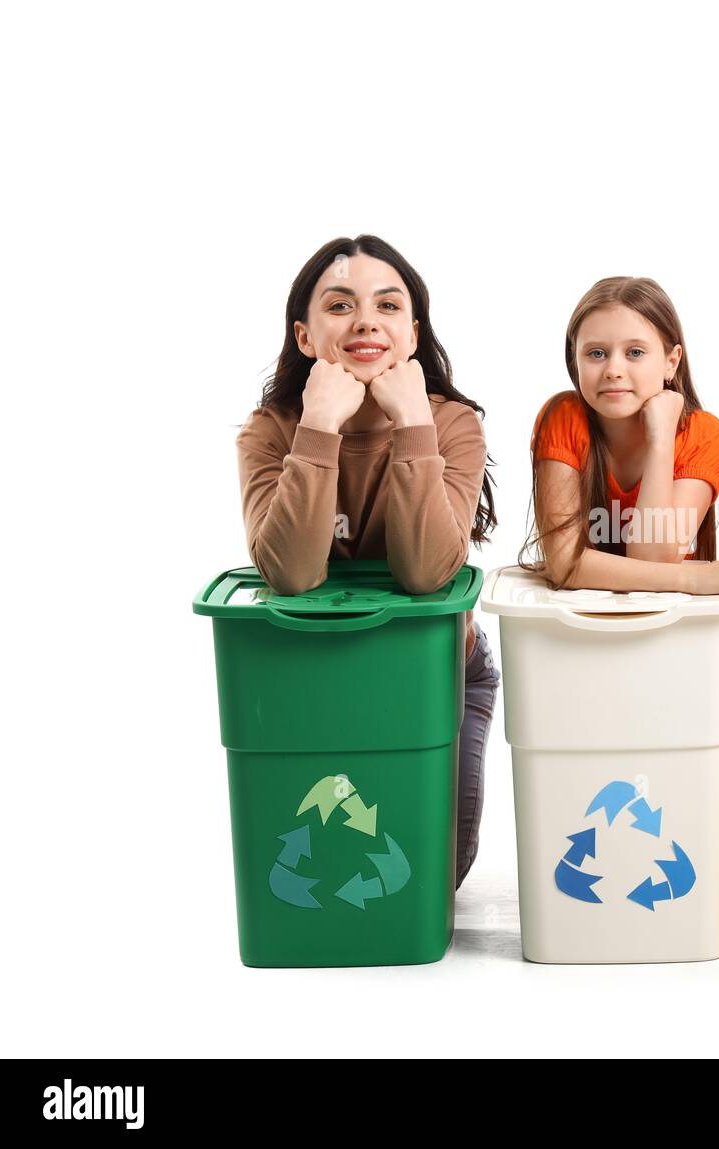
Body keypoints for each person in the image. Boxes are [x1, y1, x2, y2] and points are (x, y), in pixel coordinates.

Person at [235, 234, 500, 889]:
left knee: (431, 878)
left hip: (436, 678)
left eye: (387, 305)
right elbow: (291, 573)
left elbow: (425, 573)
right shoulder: (271, 430)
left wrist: (413, 422)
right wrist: (319, 427)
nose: (364, 321)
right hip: (313, 676)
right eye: (339, 304)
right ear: (304, 336)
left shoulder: (452, 423)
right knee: (324, 878)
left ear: (412, 334)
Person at [523, 276, 719, 902]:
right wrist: (694, 577)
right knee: (605, 783)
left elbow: (652, 548)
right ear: (575, 362)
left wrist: (662, 431)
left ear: (672, 360)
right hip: (585, 646)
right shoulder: (564, 418)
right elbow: (563, 563)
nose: (614, 370)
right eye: (595, 353)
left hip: (674, 647)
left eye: (636, 353)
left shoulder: (704, 433)